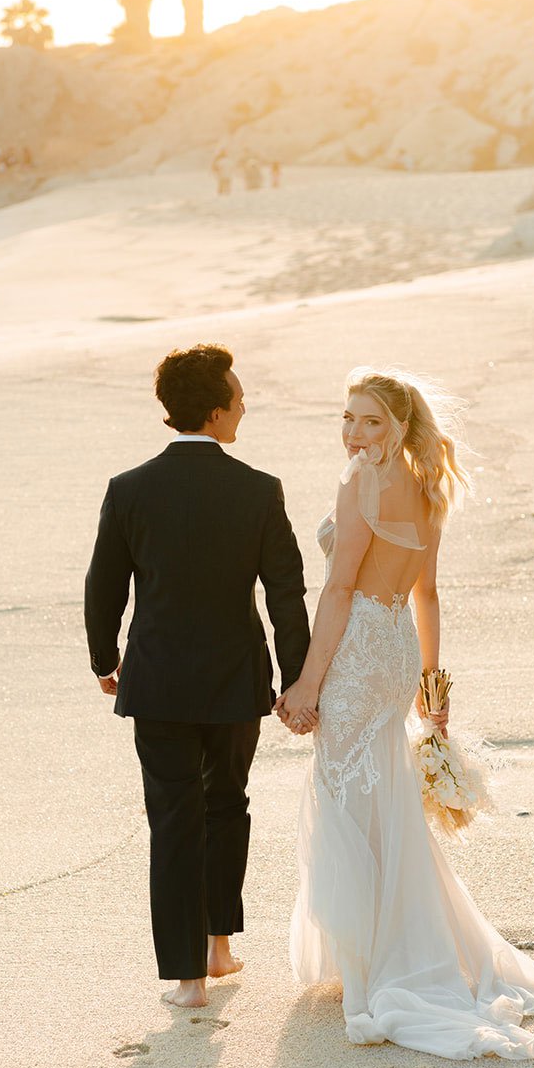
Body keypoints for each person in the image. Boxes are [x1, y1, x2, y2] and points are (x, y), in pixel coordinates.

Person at [280, 367, 534, 1059]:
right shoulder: (429, 485)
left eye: (370, 420)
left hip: (358, 648)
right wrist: (429, 684)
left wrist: (306, 684)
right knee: (380, 794)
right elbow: (427, 595)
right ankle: (399, 945)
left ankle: (370, 969)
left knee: (346, 795)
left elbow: (338, 591)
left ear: (399, 425)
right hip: (396, 649)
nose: (354, 433)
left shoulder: (360, 480)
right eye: (347, 417)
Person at [84, 344, 311, 1009]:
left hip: (155, 680)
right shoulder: (258, 490)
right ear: (214, 412)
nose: (243, 408)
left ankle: (189, 979)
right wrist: (297, 680)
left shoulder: (129, 489)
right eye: (238, 400)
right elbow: (286, 593)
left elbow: (103, 587)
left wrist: (105, 661)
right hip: (235, 680)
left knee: (173, 819)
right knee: (226, 805)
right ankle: (218, 945)